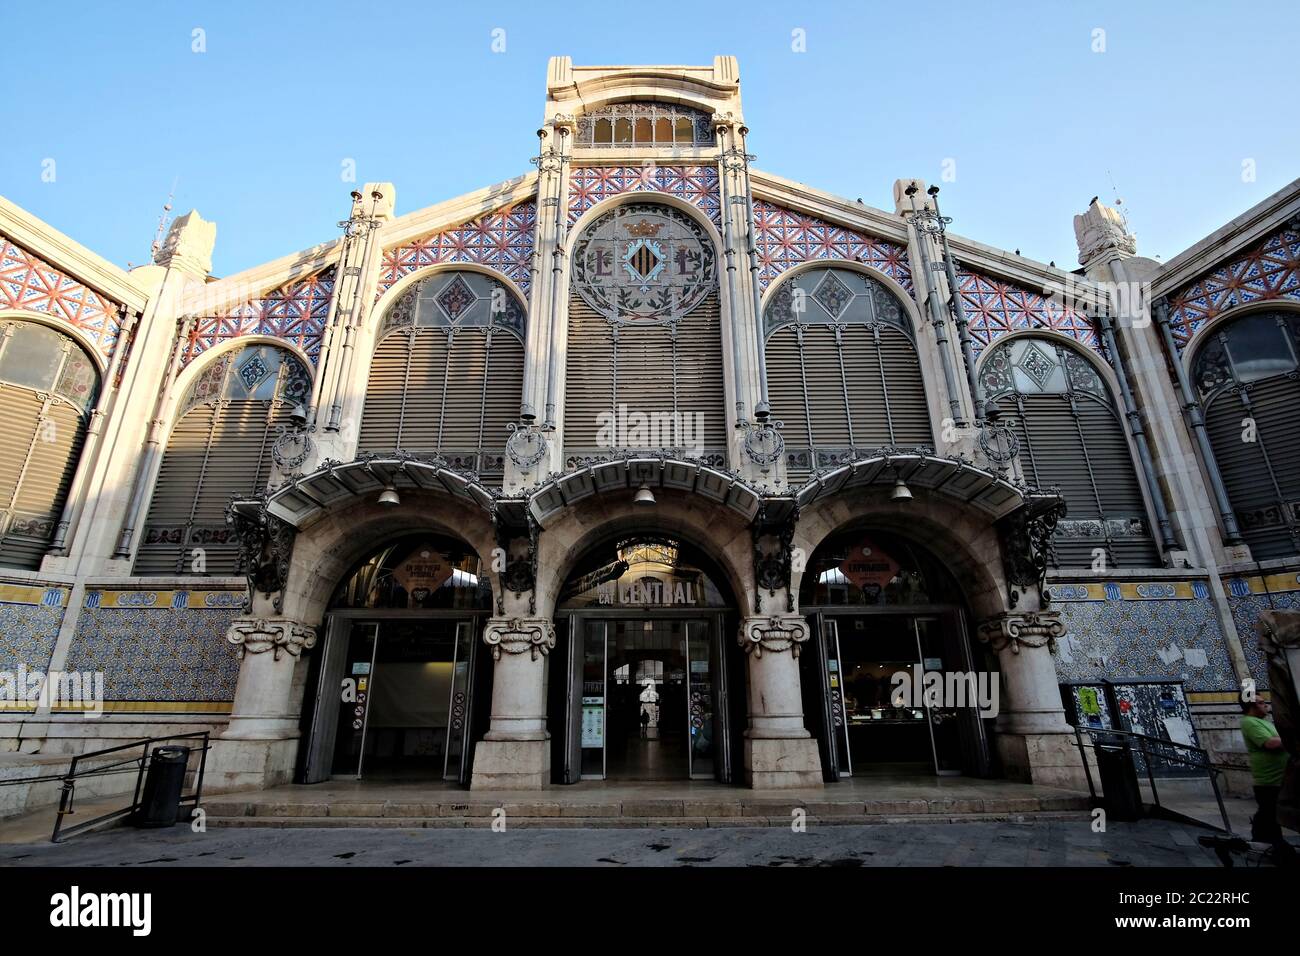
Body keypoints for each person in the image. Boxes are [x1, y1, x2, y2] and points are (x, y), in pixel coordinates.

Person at [1240, 698, 1294, 860]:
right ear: (1250, 705)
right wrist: (1293, 740)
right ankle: (1264, 847)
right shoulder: (1249, 722)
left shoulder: (1266, 722)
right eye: (1261, 702)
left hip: (1281, 778)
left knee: (1269, 814)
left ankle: (1266, 846)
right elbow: (1270, 743)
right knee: (1268, 814)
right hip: (1268, 779)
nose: (1266, 705)